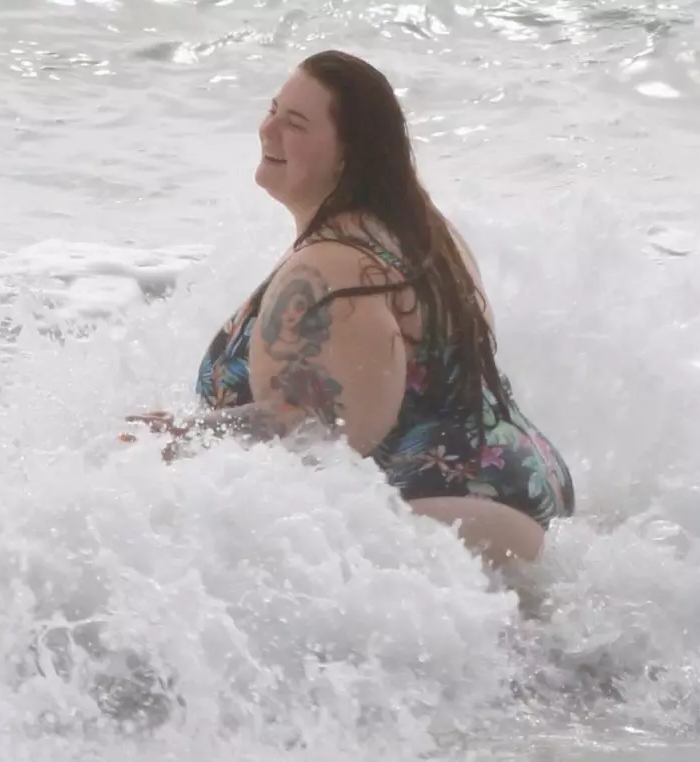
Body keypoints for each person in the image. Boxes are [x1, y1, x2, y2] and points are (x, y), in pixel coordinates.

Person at [127, 50, 575, 569]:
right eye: (273, 109)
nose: (267, 130)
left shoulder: (324, 273)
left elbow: (324, 440)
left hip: (455, 515)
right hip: (520, 486)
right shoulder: (419, 232)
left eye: (294, 123)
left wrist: (186, 435)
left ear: (348, 155)